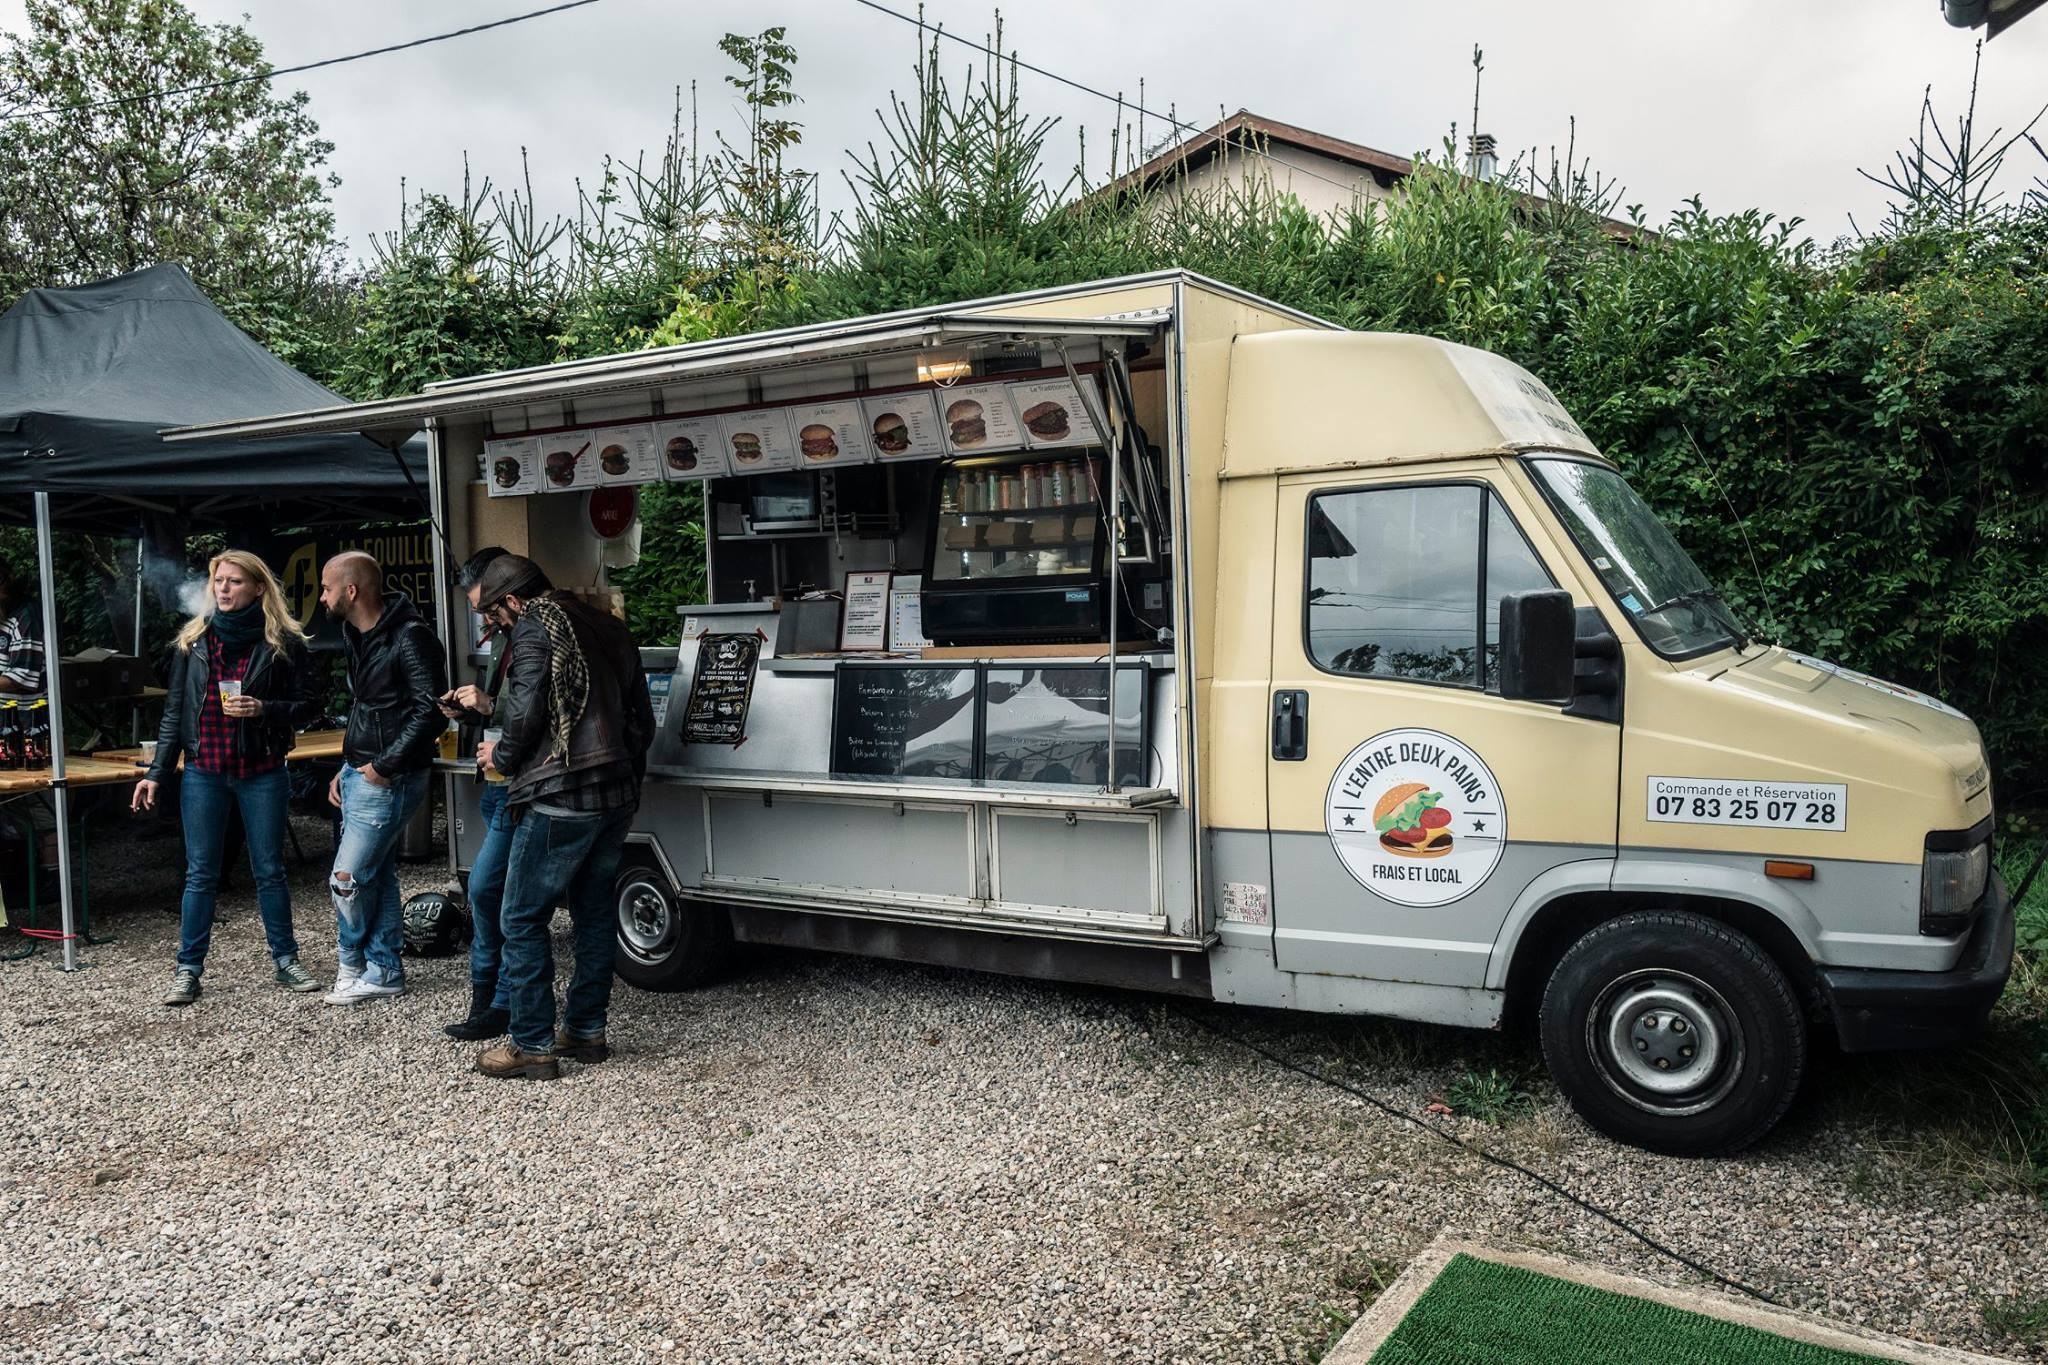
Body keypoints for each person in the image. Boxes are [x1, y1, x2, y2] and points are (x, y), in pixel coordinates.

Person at [471, 555, 653, 1080]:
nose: (497, 625)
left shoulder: (535, 628)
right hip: (616, 793)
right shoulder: (609, 626)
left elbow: (525, 712)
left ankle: (533, 1044)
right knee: (593, 913)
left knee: (521, 917)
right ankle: (586, 1030)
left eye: (495, 614)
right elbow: (643, 722)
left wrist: (502, 756)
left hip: (562, 793)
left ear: (513, 600)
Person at [133, 551, 320, 1005]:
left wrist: (264, 709)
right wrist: (156, 774)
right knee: (200, 873)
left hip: (262, 770)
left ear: (258, 588)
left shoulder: (283, 642)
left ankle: (286, 960)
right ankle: (188, 970)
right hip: (205, 771)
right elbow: (174, 712)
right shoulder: (195, 640)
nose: (223, 588)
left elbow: (310, 705)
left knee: (269, 870)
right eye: (218, 580)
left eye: (234, 581)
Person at [317, 551, 446, 1004]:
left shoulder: (410, 636)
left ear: (351, 591)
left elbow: (432, 712)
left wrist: (382, 767)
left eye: (327, 588)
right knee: (379, 875)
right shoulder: (356, 633)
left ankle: (350, 963)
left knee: (347, 877)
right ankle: (384, 970)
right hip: (362, 770)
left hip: (390, 776)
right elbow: (368, 709)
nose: (322, 597)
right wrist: (347, 765)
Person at [437, 545, 514, 1040]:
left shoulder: (533, 637)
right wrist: (469, 712)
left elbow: (536, 714)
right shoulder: (505, 637)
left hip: (519, 785)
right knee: (491, 894)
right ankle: (487, 1000)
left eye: (485, 605)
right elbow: (503, 714)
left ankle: (499, 1001)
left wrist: (488, 706)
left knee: (488, 891)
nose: (482, 615)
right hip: (496, 781)